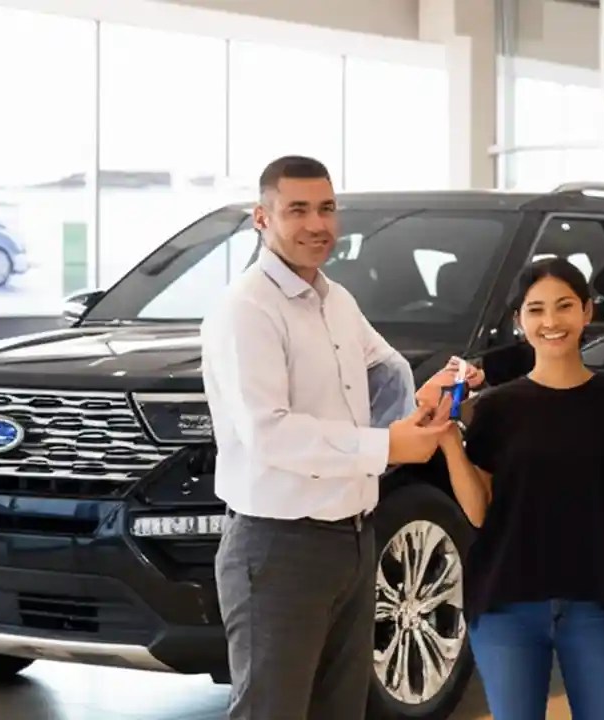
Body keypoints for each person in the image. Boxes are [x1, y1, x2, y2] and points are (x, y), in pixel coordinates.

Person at [199, 154, 466, 720]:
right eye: (297, 210)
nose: (317, 224)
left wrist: (428, 400)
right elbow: (270, 433)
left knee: (340, 711)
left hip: (353, 539)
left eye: (326, 208)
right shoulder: (247, 308)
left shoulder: (336, 299)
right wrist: (386, 447)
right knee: (271, 711)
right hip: (279, 546)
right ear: (262, 218)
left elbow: (387, 374)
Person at [423, 257, 604, 720]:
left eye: (564, 306)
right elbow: (479, 511)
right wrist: (450, 443)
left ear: (587, 311)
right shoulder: (497, 407)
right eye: (536, 310)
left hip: (595, 601)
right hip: (507, 602)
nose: (551, 321)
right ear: (519, 321)